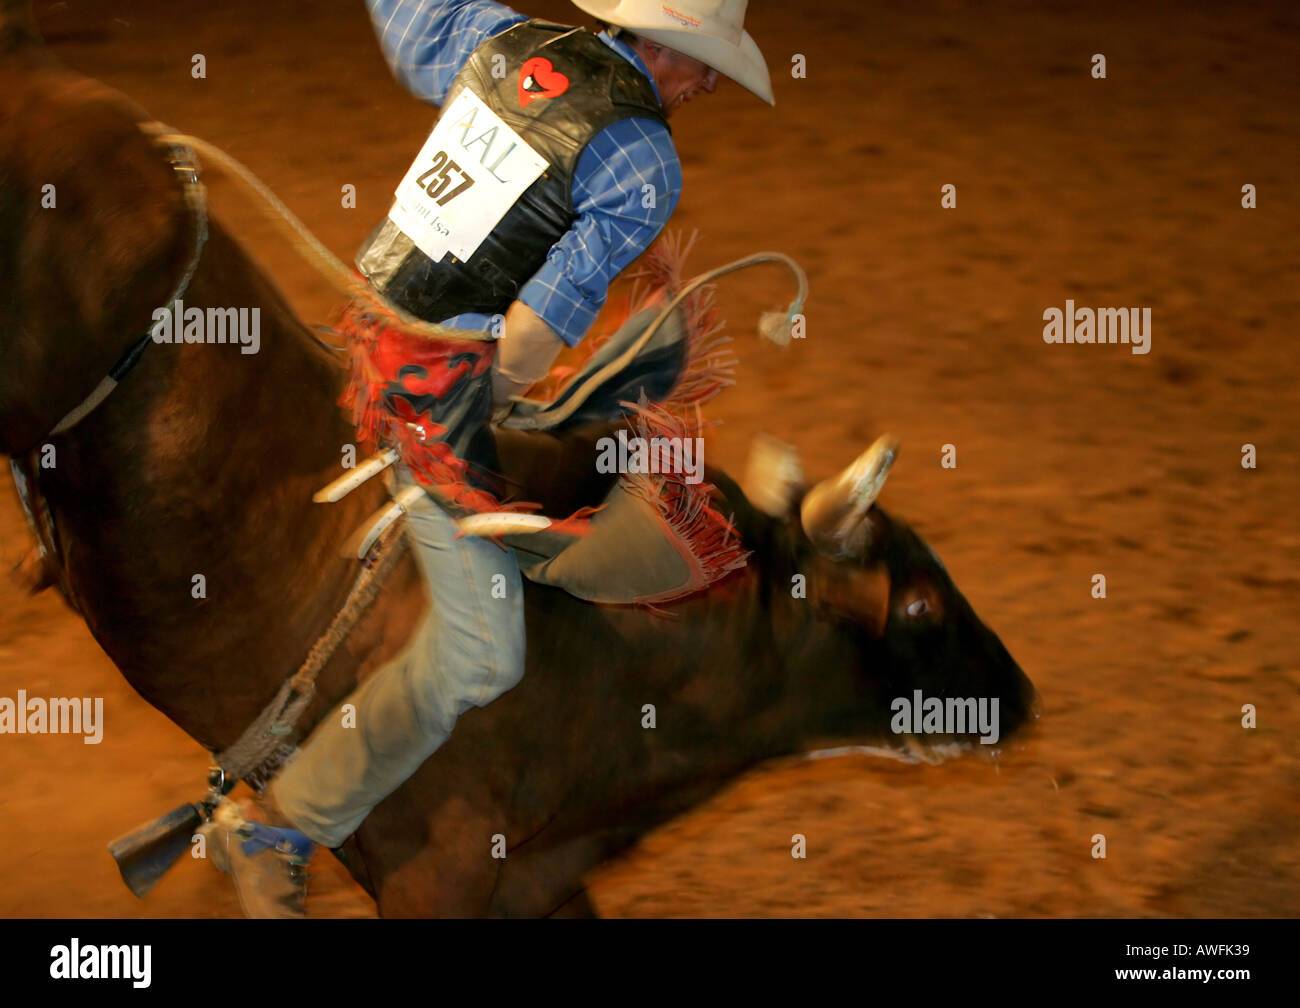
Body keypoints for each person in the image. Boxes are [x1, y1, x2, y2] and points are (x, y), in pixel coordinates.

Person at [216, 0, 773, 917]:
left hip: (367, 327)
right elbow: (526, 337)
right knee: (484, 658)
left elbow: (405, 21)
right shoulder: (643, 161)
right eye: (705, 64)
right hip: (431, 389)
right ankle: (280, 822)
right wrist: (515, 395)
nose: (710, 83)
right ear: (663, 49)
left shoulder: (504, 36)